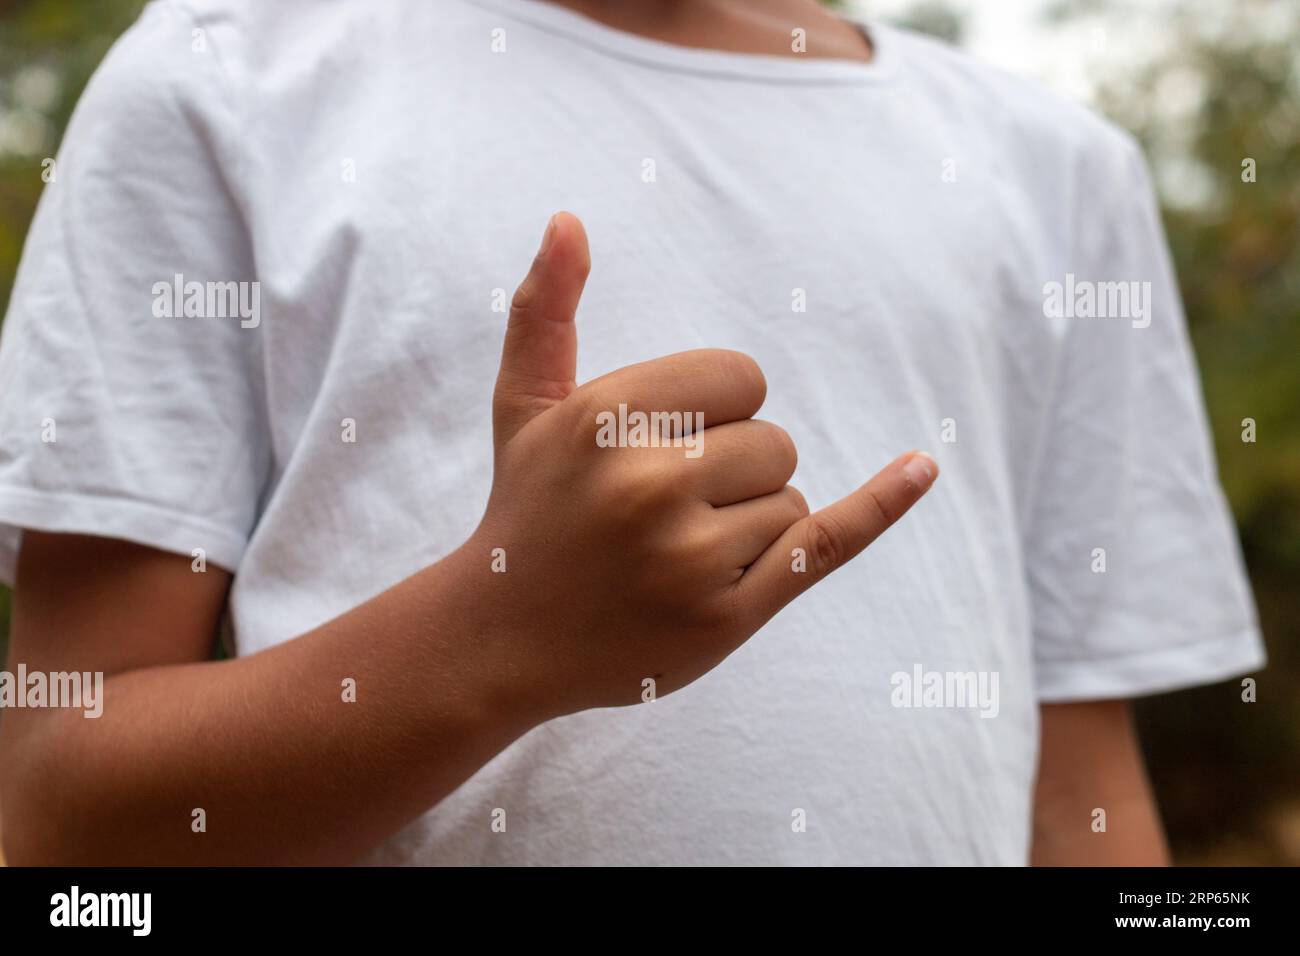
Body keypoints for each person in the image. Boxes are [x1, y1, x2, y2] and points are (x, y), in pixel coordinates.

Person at [0, 0, 1263, 865]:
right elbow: (52, 811)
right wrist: (492, 638)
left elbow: (1081, 780)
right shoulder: (228, 74)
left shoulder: (1055, 172)